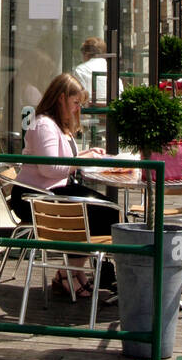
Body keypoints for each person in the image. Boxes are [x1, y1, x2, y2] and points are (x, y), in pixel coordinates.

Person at [9, 73, 117, 296]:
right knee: (106, 213)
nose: (78, 109)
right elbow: (49, 168)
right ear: (60, 98)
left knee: (107, 210)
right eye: (75, 103)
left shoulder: (54, 124)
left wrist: (87, 153)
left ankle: (73, 272)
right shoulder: (44, 126)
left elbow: (57, 162)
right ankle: (67, 273)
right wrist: (81, 161)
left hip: (47, 191)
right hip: (36, 196)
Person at [73, 37, 121, 105]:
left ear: (85, 53)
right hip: (113, 111)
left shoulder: (80, 70)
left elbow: (80, 98)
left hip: (91, 112)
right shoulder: (112, 69)